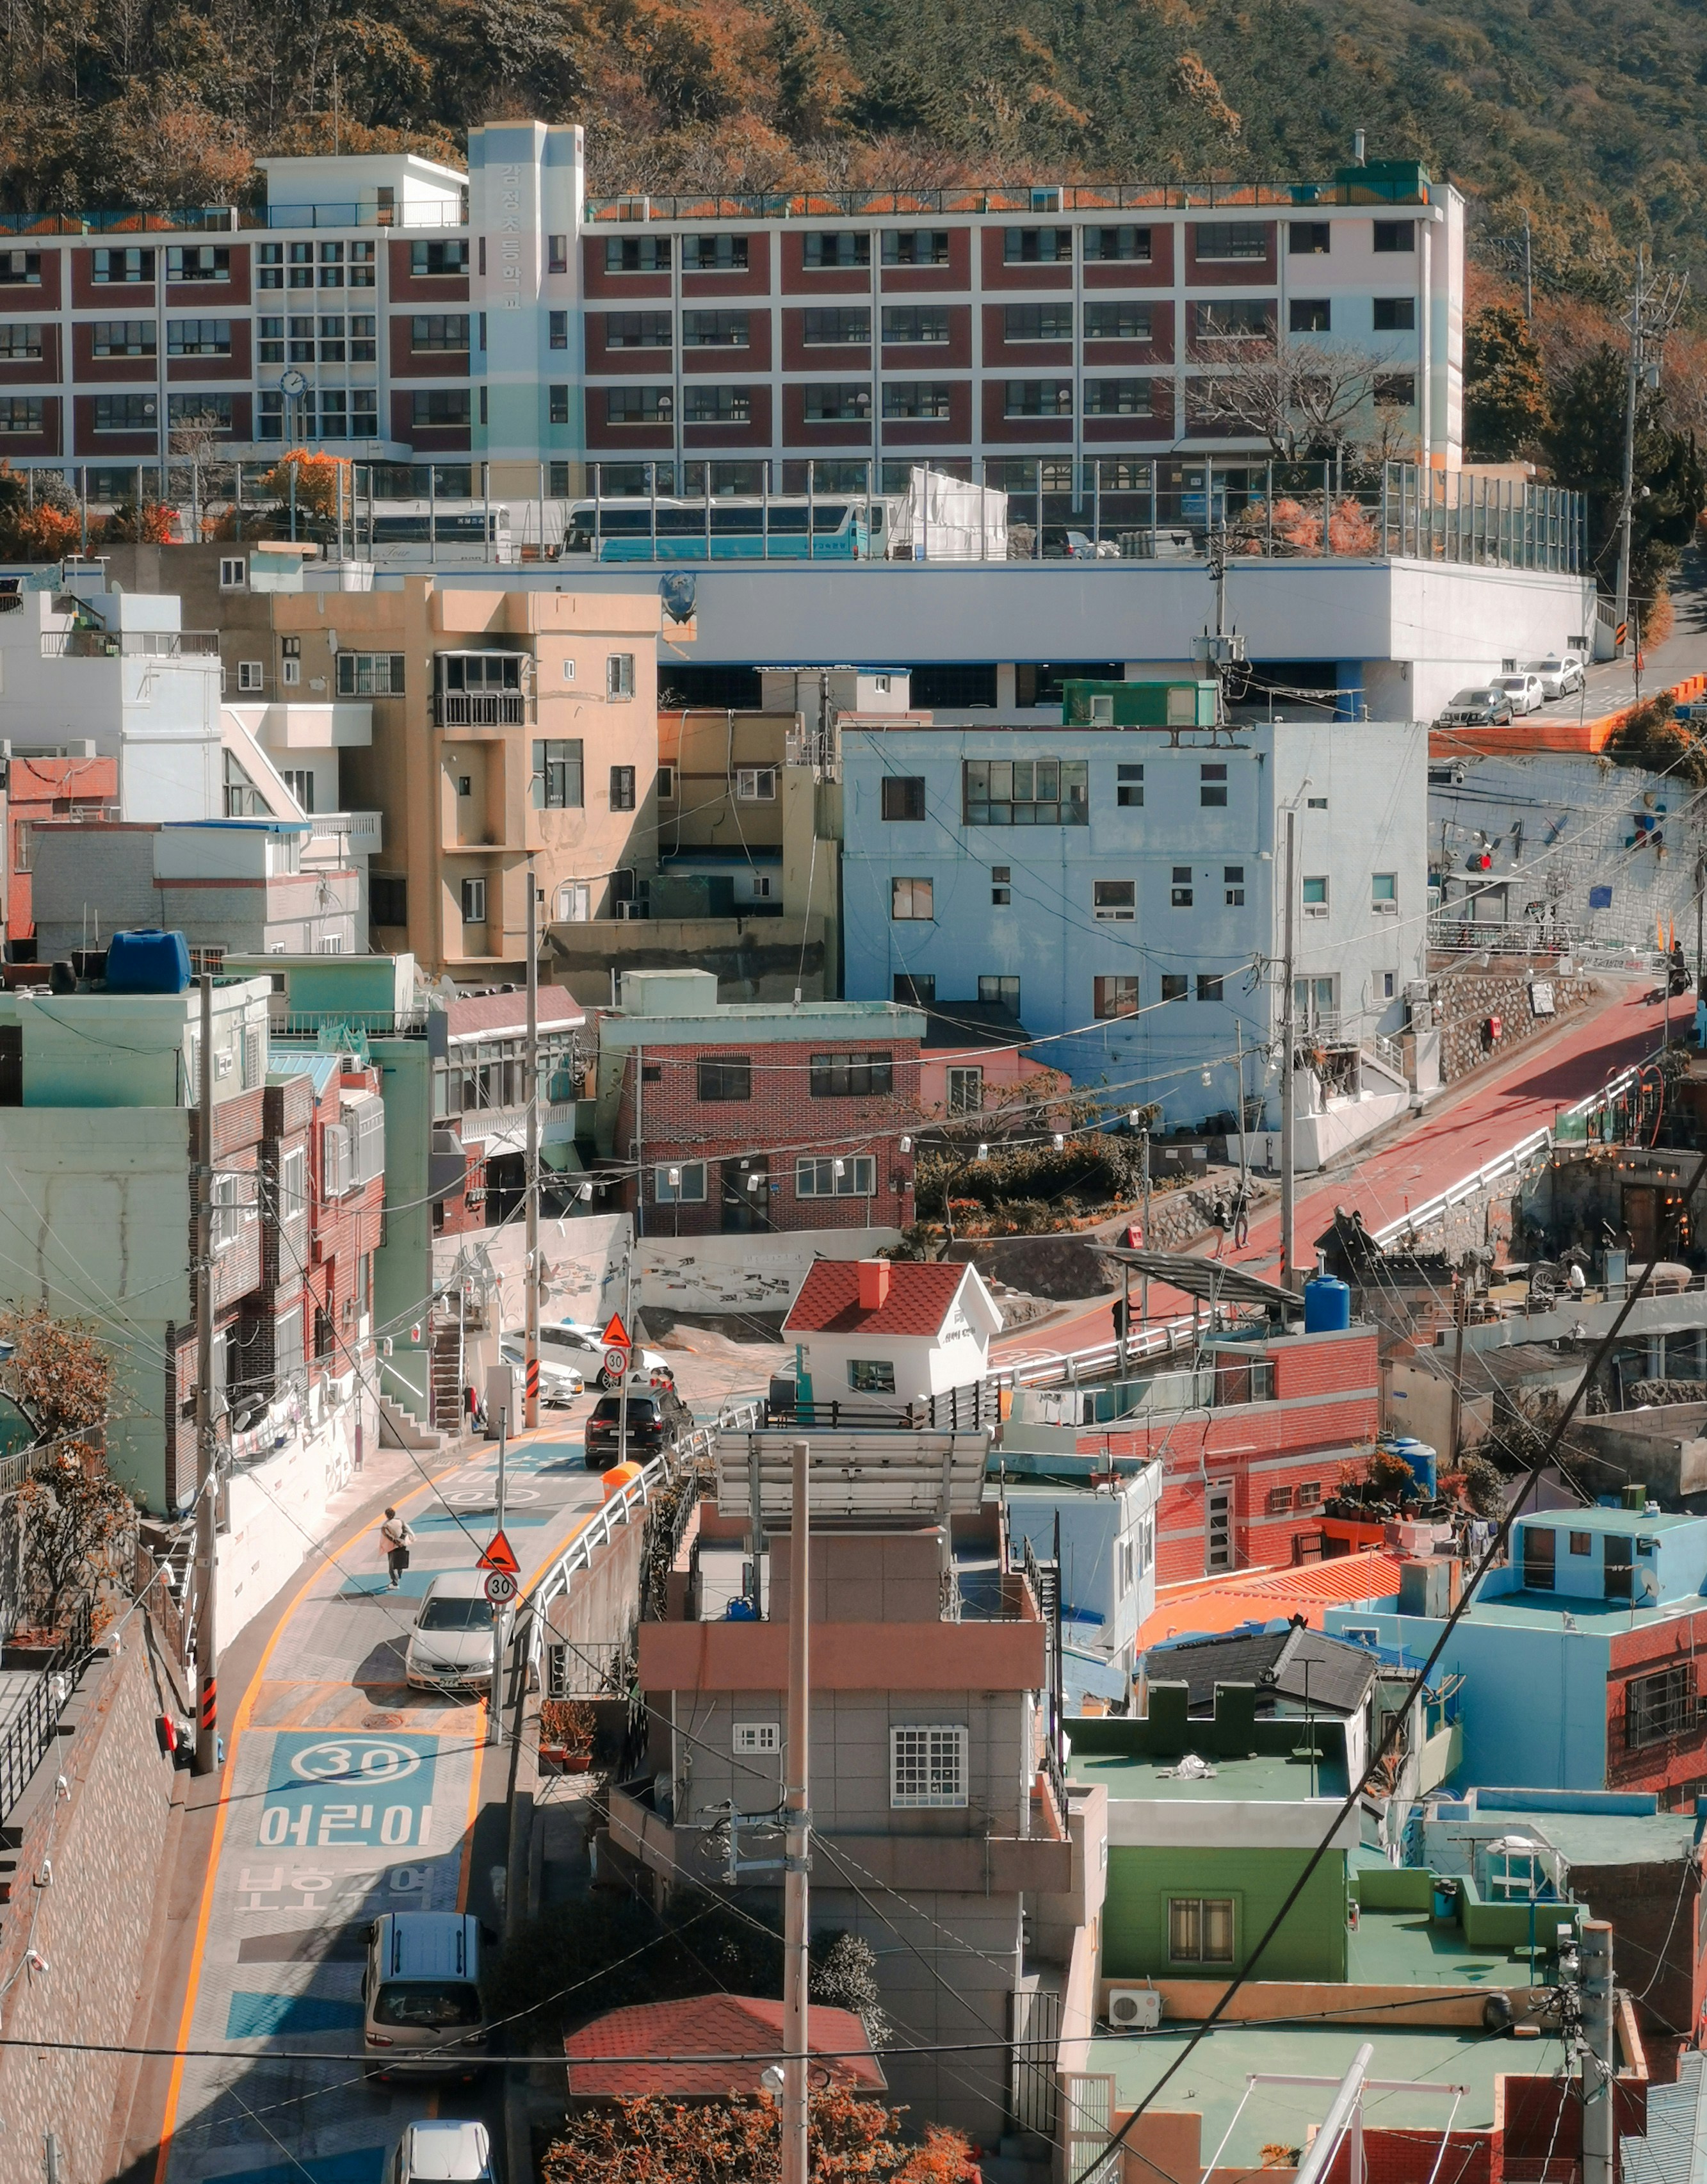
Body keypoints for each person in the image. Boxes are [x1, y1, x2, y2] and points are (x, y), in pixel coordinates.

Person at [381, 1506, 412, 1589]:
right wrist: (401, 1540)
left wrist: (395, 1541)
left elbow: (388, 1536)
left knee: (392, 1565)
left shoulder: (385, 1526)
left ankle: (395, 1582)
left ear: (387, 1515)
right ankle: (400, 1574)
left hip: (392, 1547)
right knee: (401, 1561)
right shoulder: (400, 1521)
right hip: (402, 1544)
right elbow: (406, 1531)